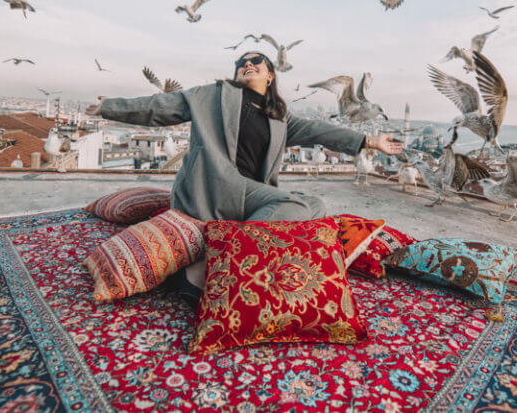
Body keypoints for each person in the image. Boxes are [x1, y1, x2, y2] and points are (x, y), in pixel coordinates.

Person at [85, 51, 403, 302]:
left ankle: (219, 254)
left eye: (257, 61)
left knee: (315, 205)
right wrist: (109, 108)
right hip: (212, 187)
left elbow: (319, 130)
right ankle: (214, 271)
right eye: (242, 62)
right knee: (293, 205)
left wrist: (368, 141)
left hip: (248, 197)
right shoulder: (212, 95)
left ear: (271, 74)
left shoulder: (279, 117)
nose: (248, 64)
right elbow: (162, 105)